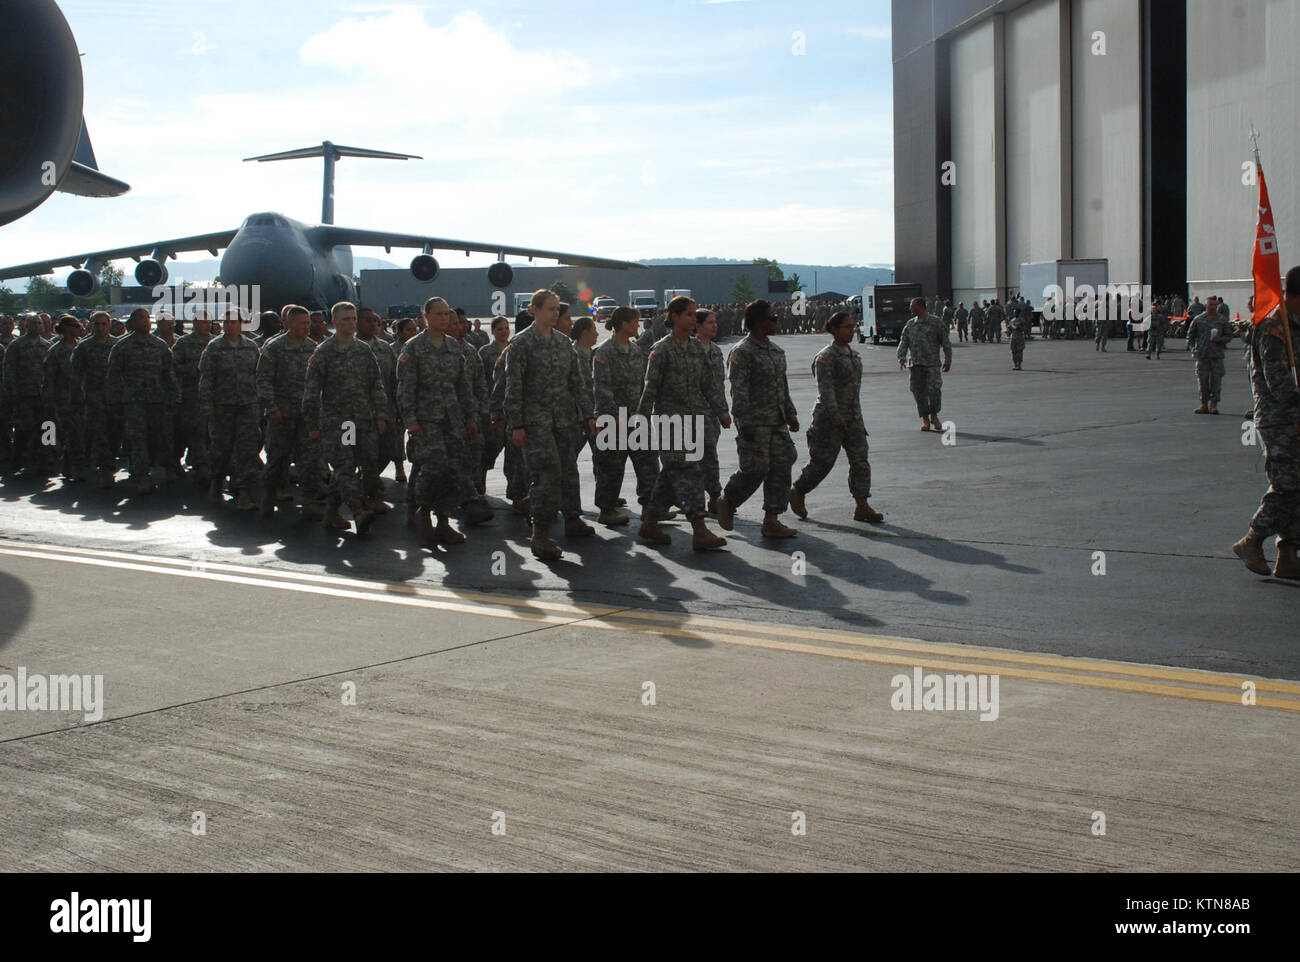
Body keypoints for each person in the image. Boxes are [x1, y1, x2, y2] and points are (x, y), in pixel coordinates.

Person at [503, 290, 594, 560]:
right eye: (550, 309)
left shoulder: (564, 343)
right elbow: (514, 388)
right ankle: (540, 534)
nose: (555, 313)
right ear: (535, 310)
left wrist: (588, 415)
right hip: (535, 423)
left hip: (564, 419)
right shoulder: (521, 344)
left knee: (568, 470)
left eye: (557, 309)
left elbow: (577, 382)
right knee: (546, 475)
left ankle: (573, 519)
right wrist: (517, 424)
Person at [636, 296, 729, 550]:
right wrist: (641, 419)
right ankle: (699, 528)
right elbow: (650, 388)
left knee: (670, 476)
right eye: (688, 314)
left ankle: (650, 521)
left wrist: (722, 411)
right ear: (674, 317)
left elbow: (708, 385)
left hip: (694, 420)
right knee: (691, 473)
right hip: (669, 421)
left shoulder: (697, 348)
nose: (692, 318)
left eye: (693, 314)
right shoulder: (661, 349)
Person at [1234, 266, 1300, 578]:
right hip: (1280, 418)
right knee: (1288, 485)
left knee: (1297, 486)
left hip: (1294, 415)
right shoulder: (1274, 325)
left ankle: (1288, 554)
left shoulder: (1294, 324)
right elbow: (1278, 382)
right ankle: (1252, 538)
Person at [302, 301, 390, 533]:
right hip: (337, 422)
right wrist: (313, 424)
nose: (350, 323)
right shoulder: (323, 353)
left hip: (361, 420)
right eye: (345, 319)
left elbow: (376, 385)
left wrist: (381, 414)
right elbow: (311, 392)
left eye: (353, 319)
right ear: (335, 322)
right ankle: (358, 510)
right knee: (344, 466)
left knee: (364, 465)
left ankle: (331, 513)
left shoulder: (363, 350)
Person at [715, 298, 799, 539]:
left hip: (777, 419)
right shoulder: (742, 352)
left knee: (783, 463)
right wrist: (744, 421)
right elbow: (738, 389)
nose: (776, 322)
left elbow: (783, 387)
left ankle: (772, 519)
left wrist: (791, 415)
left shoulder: (776, 351)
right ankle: (728, 500)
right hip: (755, 421)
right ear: (759, 322)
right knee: (756, 468)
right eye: (772, 318)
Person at [789, 311, 883, 524]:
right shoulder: (826, 357)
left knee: (860, 461)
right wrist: (837, 418)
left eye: (853, 326)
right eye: (847, 327)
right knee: (822, 463)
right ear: (835, 329)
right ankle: (798, 490)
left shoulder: (853, 355)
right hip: (829, 420)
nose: (852, 330)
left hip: (854, 417)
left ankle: (862, 505)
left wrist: (855, 418)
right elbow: (826, 391)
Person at [396, 296, 477, 546]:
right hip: (426, 421)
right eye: (439, 314)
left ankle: (443, 522)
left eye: (446, 314)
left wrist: (470, 417)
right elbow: (405, 389)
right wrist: (410, 421)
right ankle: (423, 511)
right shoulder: (413, 348)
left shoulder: (455, 348)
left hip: (452, 420)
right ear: (426, 317)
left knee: (453, 469)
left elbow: (464, 387)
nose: (444, 318)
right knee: (433, 468)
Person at [592, 306, 658, 527]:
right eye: (635, 322)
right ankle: (607, 509)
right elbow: (601, 389)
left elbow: (642, 385)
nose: (638, 325)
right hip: (614, 420)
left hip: (636, 419)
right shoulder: (604, 352)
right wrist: (612, 417)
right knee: (611, 468)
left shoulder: (636, 351)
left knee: (648, 464)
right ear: (624, 324)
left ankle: (651, 508)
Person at [257, 304, 324, 519]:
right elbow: (263, 379)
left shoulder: (314, 348)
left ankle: (309, 501)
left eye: (308, 323)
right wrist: (271, 407)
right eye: (301, 323)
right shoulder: (274, 348)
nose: (306, 327)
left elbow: (321, 381)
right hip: (281, 413)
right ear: (289, 324)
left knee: (310, 459)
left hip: (307, 415)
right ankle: (268, 495)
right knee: (277, 457)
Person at [106, 308, 180, 494]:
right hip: (133, 402)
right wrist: (114, 401)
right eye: (140, 318)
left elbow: (169, 374)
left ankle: (164, 466)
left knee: (158, 437)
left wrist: (174, 397)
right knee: (137, 439)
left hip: (158, 401)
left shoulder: (160, 345)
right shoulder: (122, 347)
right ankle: (143, 476)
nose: (145, 322)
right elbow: (113, 376)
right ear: (132, 323)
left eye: (147, 318)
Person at [198, 309, 262, 509]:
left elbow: (258, 377)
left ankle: (244, 491)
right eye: (226, 322)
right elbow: (206, 379)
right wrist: (207, 406)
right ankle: (217, 482)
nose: (230, 326)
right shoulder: (214, 348)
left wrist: (259, 404)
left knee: (247, 449)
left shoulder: (251, 348)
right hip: (222, 407)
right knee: (220, 449)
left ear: (241, 324)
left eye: (234, 322)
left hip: (246, 406)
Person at [71, 311, 117, 488]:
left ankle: (107, 462)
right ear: (91, 325)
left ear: (109, 325)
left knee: (115, 433)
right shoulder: (84, 347)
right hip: (93, 398)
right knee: (100, 434)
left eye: (103, 324)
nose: (100, 328)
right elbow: (76, 375)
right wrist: (76, 398)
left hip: (115, 398)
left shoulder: (117, 345)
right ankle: (105, 469)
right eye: (96, 324)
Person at [896, 297, 952, 430]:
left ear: (921, 307)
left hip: (931, 364)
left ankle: (934, 416)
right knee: (918, 393)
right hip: (915, 365)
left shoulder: (935, 322)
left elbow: (945, 342)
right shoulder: (910, 324)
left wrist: (948, 360)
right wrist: (901, 357)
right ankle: (925, 420)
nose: (910, 308)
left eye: (912, 306)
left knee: (934, 391)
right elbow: (903, 341)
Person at [42, 315, 84, 482]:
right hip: (64, 399)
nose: (79, 328)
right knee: (73, 433)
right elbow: (49, 377)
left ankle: (68, 465)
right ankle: (77, 466)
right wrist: (48, 400)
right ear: (66, 328)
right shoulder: (56, 351)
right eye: (75, 325)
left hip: (82, 397)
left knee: (79, 433)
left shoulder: (82, 347)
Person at [695, 307, 727, 513]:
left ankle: (705, 497)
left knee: (708, 455)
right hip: (694, 412)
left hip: (713, 413)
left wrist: (723, 410)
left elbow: (720, 385)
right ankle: (713, 497)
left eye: (715, 322)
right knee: (700, 458)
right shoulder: (690, 349)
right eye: (710, 322)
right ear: (697, 326)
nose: (714, 326)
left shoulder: (716, 351)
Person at [1188, 295, 1233, 414]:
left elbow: (1229, 336)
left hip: (1216, 355)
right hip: (1202, 355)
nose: (1213, 307)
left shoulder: (1222, 320)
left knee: (1216, 381)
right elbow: (1190, 336)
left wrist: (1220, 339)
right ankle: (1204, 404)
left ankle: (1214, 405)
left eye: (1215, 305)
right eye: (1210, 305)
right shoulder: (1198, 319)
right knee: (1202, 381)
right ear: (1206, 305)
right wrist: (1192, 348)